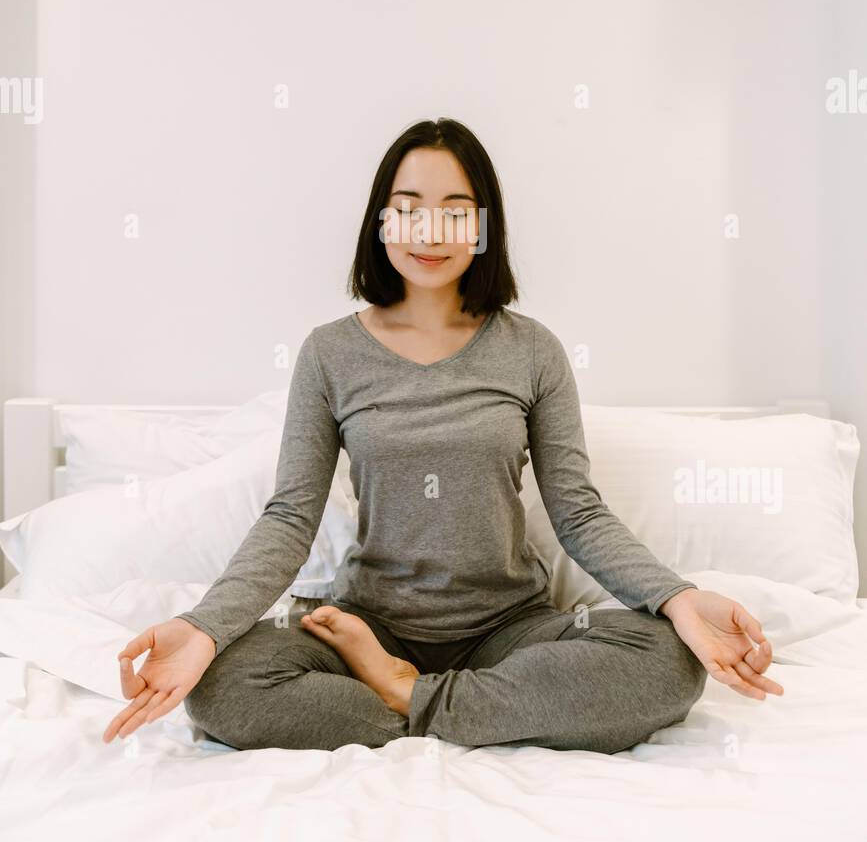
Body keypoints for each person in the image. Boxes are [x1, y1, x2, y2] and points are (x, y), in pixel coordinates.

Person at [102, 117, 784, 753]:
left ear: (484, 226)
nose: (430, 230)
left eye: (455, 210)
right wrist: (201, 627)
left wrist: (678, 597)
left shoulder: (532, 351)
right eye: (408, 206)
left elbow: (576, 511)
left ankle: (400, 693)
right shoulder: (327, 355)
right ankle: (441, 701)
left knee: (665, 664)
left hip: (508, 630)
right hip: (364, 624)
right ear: (381, 220)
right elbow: (290, 516)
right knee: (223, 688)